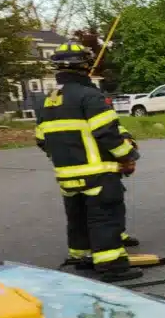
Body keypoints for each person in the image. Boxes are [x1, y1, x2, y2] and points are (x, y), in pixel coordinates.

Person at [35, 42, 142, 282]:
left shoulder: (48, 101)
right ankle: (111, 265)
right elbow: (107, 134)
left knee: (78, 218)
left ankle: (82, 258)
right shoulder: (90, 97)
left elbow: (41, 139)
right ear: (85, 66)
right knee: (104, 217)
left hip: (66, 175)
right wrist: (127, 156)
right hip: (98, 174)